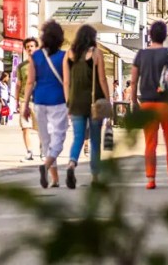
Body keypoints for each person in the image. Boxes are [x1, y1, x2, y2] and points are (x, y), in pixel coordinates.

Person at [128, 20, 168, 190]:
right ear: (164, 36)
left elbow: (133, 81)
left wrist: (133, 101)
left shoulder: (140, 55)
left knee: (150, 143)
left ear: (150, 35)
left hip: (147, 104)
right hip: (167, 104)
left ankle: (151, 178)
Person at [23, 21, 69, 188]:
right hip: (58, 102)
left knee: (47, 141)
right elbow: (66, 82)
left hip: (39, 102)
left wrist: (25, 105)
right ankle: (46, 165)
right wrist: (70, 103)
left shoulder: (35, 56)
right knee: (58, 140)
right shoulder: (64, 56)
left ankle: (55, 179)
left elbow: (30, 82)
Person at [64, 24, 110, 188]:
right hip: (94, 102)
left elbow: (66, 82)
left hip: (75, 103)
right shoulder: (96, 53)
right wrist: (108, 99)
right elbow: (102, 79)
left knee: (78, 137)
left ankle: (71, 164)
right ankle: (95, 177)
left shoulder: (69, 54)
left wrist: (68, 102)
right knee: (95, 140)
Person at [16, 38, 41, 160]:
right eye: (27, 47)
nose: (30, 48)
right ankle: (29, 152)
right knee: (25, 127)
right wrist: (16, 100)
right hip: (24, 100)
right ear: (25, 49)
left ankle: (43, 151)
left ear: (36, 48)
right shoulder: (21, 66)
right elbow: (18, 84)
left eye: (32, 46)